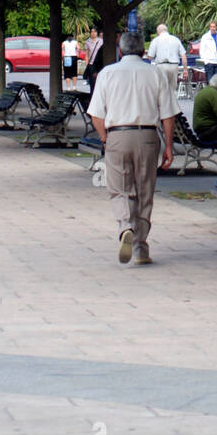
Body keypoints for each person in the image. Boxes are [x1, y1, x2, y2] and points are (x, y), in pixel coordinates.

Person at [87, 29, 178, 265]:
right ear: (143, 50)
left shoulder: (107, 73)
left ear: (120, 49)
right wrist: (169, 146)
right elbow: (168, 115)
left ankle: (125, 226)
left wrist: (105, 138)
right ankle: (140, 248)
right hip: (147, 136)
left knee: (119, 189)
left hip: (117, 134)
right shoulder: (155, 73)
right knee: (144, 192)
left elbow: (96, 115)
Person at [147, 23, 187, 98]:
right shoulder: (176, 39)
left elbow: (150, 57)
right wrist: (185, 69)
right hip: (174, 66)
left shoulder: (156, 40)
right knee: (172, 89)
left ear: (158, 32)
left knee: (162, 89)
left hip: (161, 66)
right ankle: (173, 107)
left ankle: (163, 107)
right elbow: (183, 55)